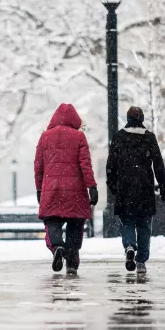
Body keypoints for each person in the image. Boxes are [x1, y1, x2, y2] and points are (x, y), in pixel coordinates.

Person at [34, 103, 98, 275]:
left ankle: (57, 247)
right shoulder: (79, 137)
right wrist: (91, 186)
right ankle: (71, 262)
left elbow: (38, 166)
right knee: (75, 223)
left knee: (52, 220)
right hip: (75, 189)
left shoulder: (45, 137)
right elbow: (85, 165)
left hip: (51, 188)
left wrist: (39, 189)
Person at [106, 106, 165, 274]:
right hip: (144, 187)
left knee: (127, 221)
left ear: (127, 119)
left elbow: (111, 164)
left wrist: (112, 185)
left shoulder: (119, 137)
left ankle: (129, 246)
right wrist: (163, 186)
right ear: (142, 119)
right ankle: (141, 260)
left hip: (125, 188)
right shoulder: (149, 138)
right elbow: (158, 164)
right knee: (144, 225)